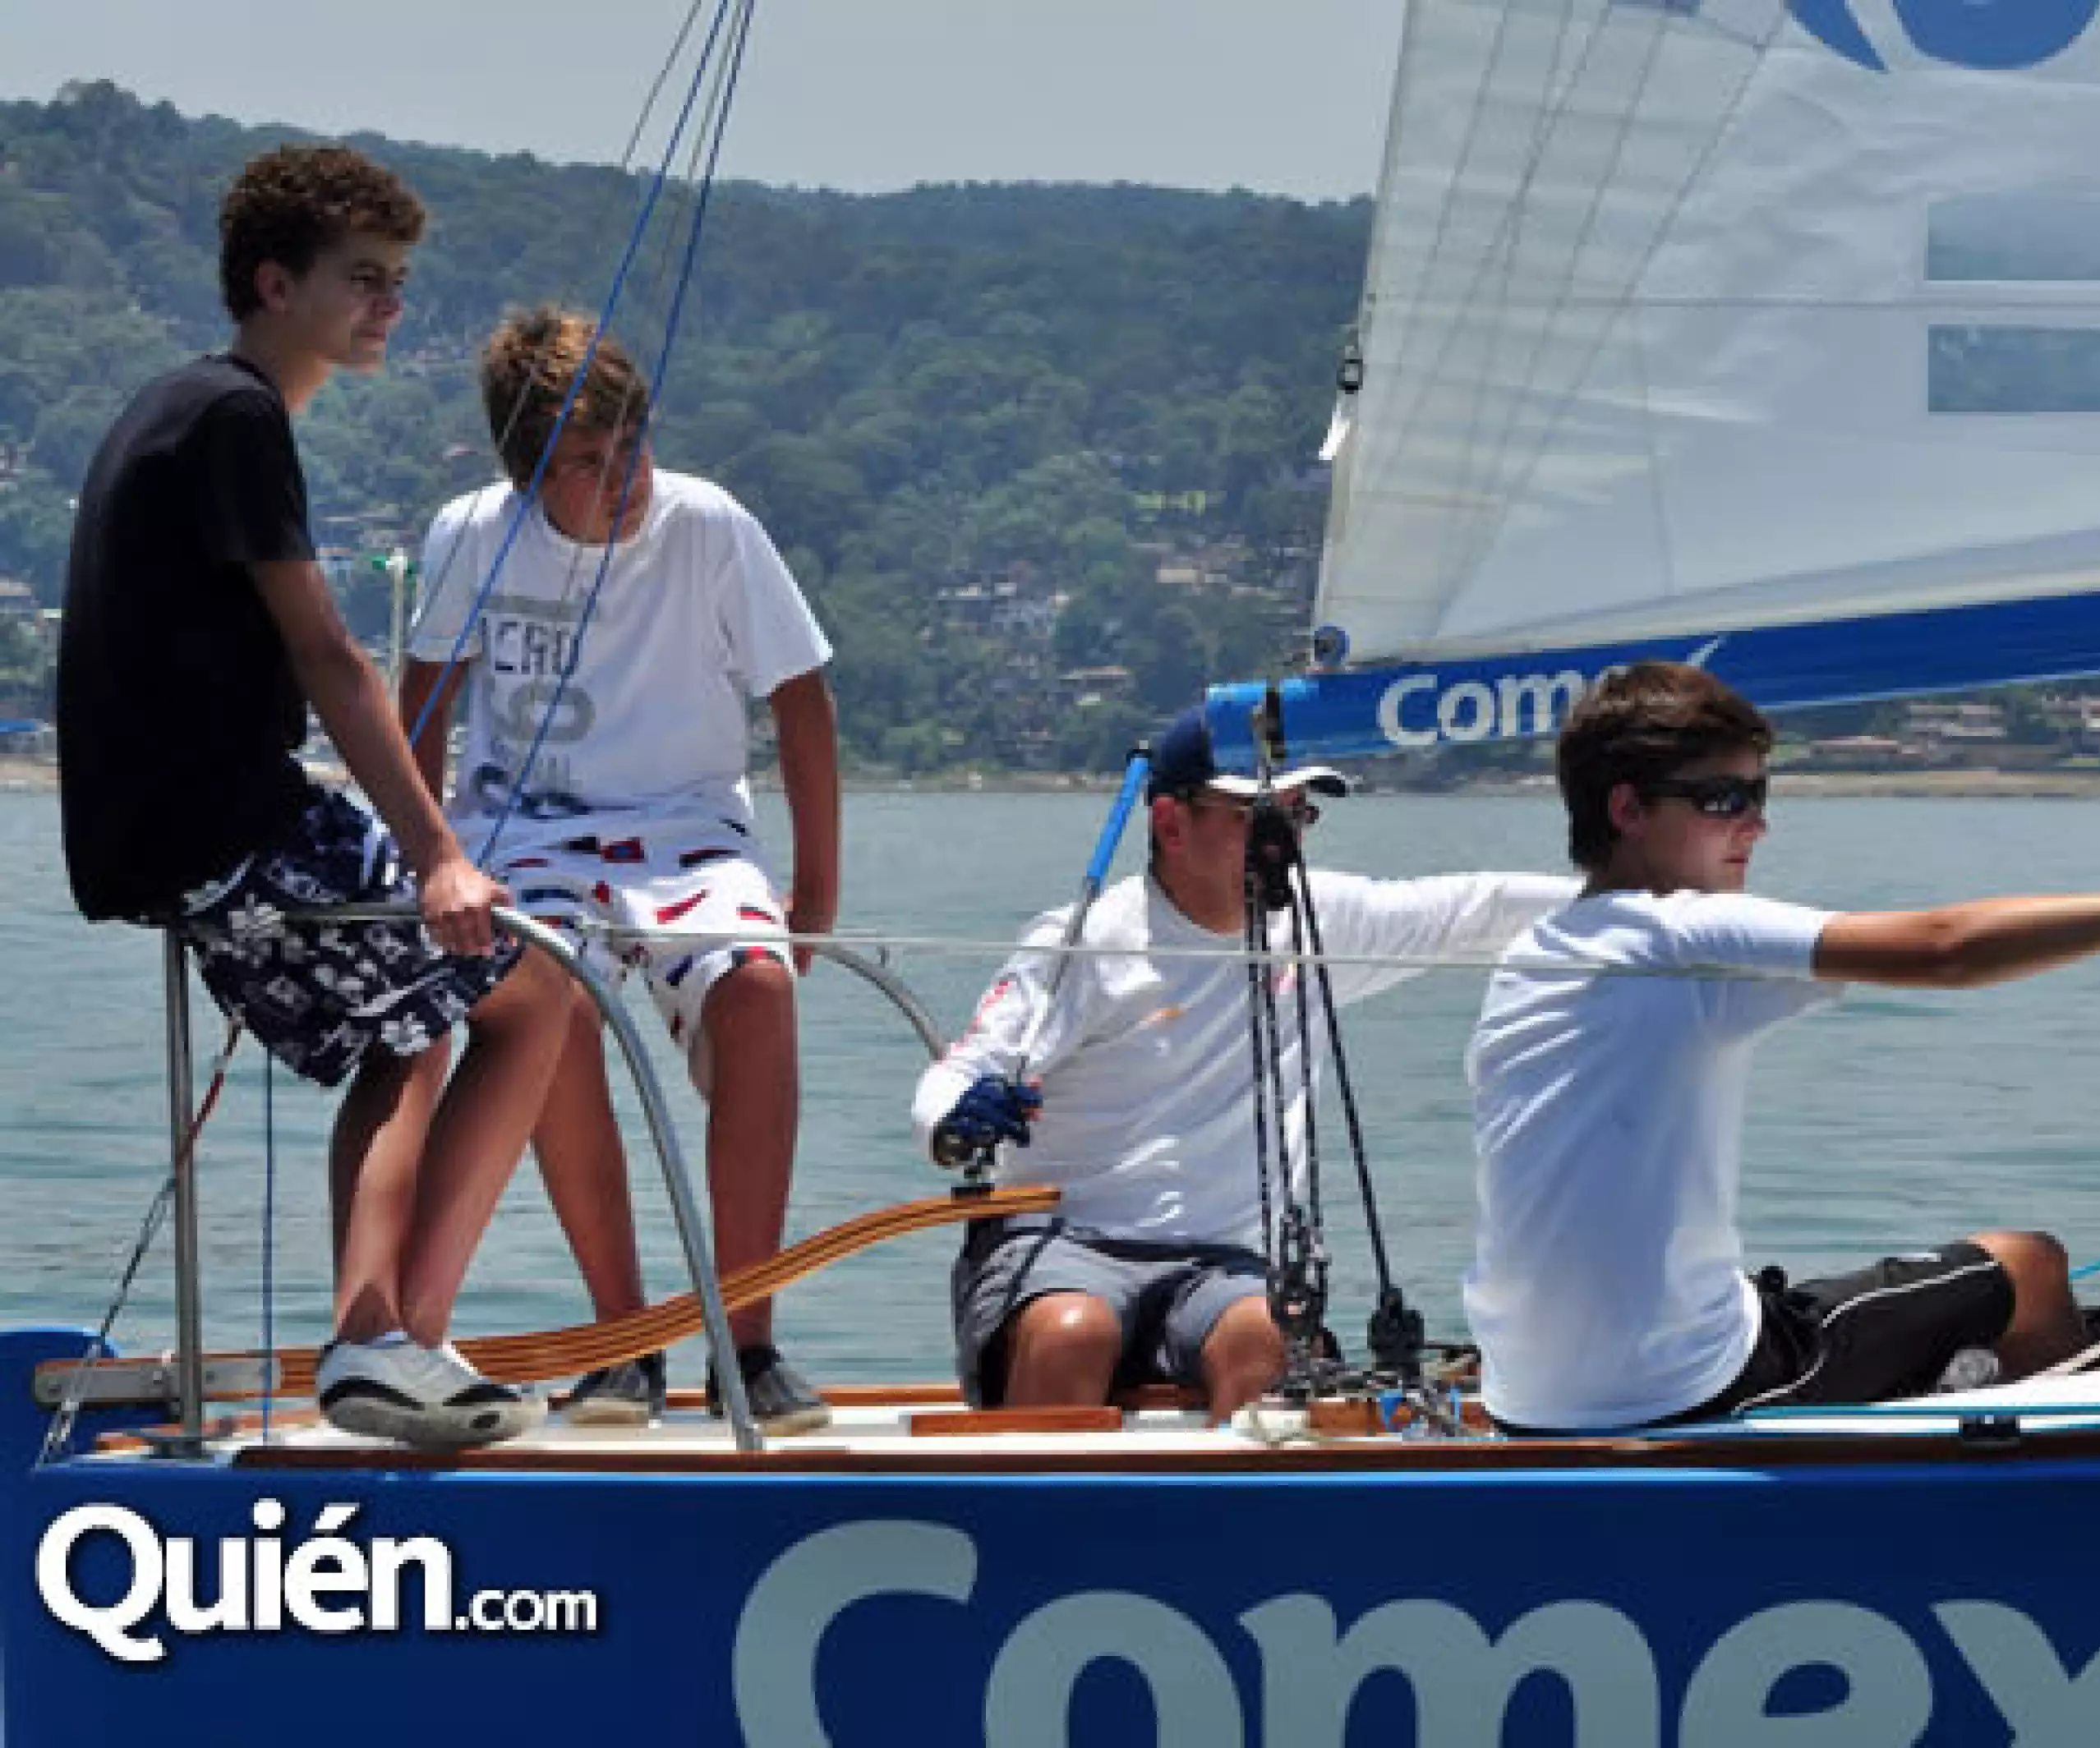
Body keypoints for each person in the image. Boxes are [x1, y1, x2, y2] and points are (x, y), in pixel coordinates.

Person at [54, 144, 572, 1447]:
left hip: (172, 825)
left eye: (398, 282)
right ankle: (378, 1341)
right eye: (362, 280)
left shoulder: (185, 405)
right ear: (275, 282)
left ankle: (386, 1337)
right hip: (224, 819)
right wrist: (440, 853)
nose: (388, 305)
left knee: (427, 1019)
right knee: (520, 995)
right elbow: (330, 654)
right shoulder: (235, 416)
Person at [1464, 661, 2100, 1436]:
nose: (1755, 826)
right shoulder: (1676, 929)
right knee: (2027, 1263)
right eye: (1724, 798)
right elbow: (1947, 947)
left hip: (1524, 1395)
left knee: (1834, 1299)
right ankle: (2039, 1504)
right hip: (1679, 1387)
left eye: (1761, 797)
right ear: (1626, 810)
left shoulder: (1541, 949)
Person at [398, 306, 841, 1436]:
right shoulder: (470, 533)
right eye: (589, 462)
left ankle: (747, 1343)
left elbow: (800, 697)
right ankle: (623, 1345)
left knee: (757, 989)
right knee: (552, 1008)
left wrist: (816, 892)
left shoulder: (710, 526)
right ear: (526, 469)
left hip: (688, 833)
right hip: (524, 842)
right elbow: (424, 707)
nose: (623, 475)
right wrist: (428, 857)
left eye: (632, 442)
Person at [912, 706, 1581, 1419]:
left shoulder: (1321, 919)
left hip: (1226, 1262)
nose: (1283, 841)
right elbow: (958, 1073)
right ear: (1171, 824)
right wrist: (957, 1118)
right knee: (1072, 1335)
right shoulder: (1087, 941)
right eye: (1256, 818)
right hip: (1065, 1243)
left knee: (1265, 1339)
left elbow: (1481, 909)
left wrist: (1678, 900)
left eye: (1297, 815)